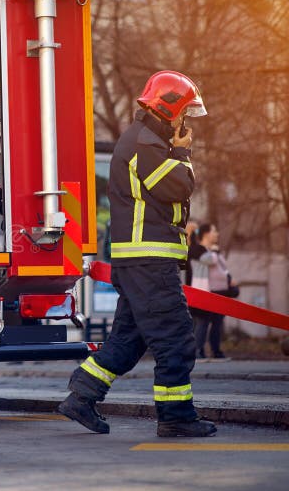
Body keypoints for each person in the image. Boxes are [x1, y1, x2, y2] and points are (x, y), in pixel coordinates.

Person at [58, 70, 217, 437]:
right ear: (168, 108)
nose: (185, 120)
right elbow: (179, 187)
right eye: (183, 112)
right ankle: (176, 417)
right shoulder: (147, 143)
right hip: (149, 263)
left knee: (128, 341)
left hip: (139, 263)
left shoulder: (144, 139)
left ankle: (81, 396)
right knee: (176, 338)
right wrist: (183, 151)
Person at [189, 223, 236, 361]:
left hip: (219, 293)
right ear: (205, 234)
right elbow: (210, 260)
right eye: (214, 231)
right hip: (203, 292)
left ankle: (216, 352)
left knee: (217, 322)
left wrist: (228, 279)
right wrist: (213, 252)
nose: (217, 234)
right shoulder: (197, 249)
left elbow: (222, 266)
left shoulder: (212, 251)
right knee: (202, 323)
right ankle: (198, 352)